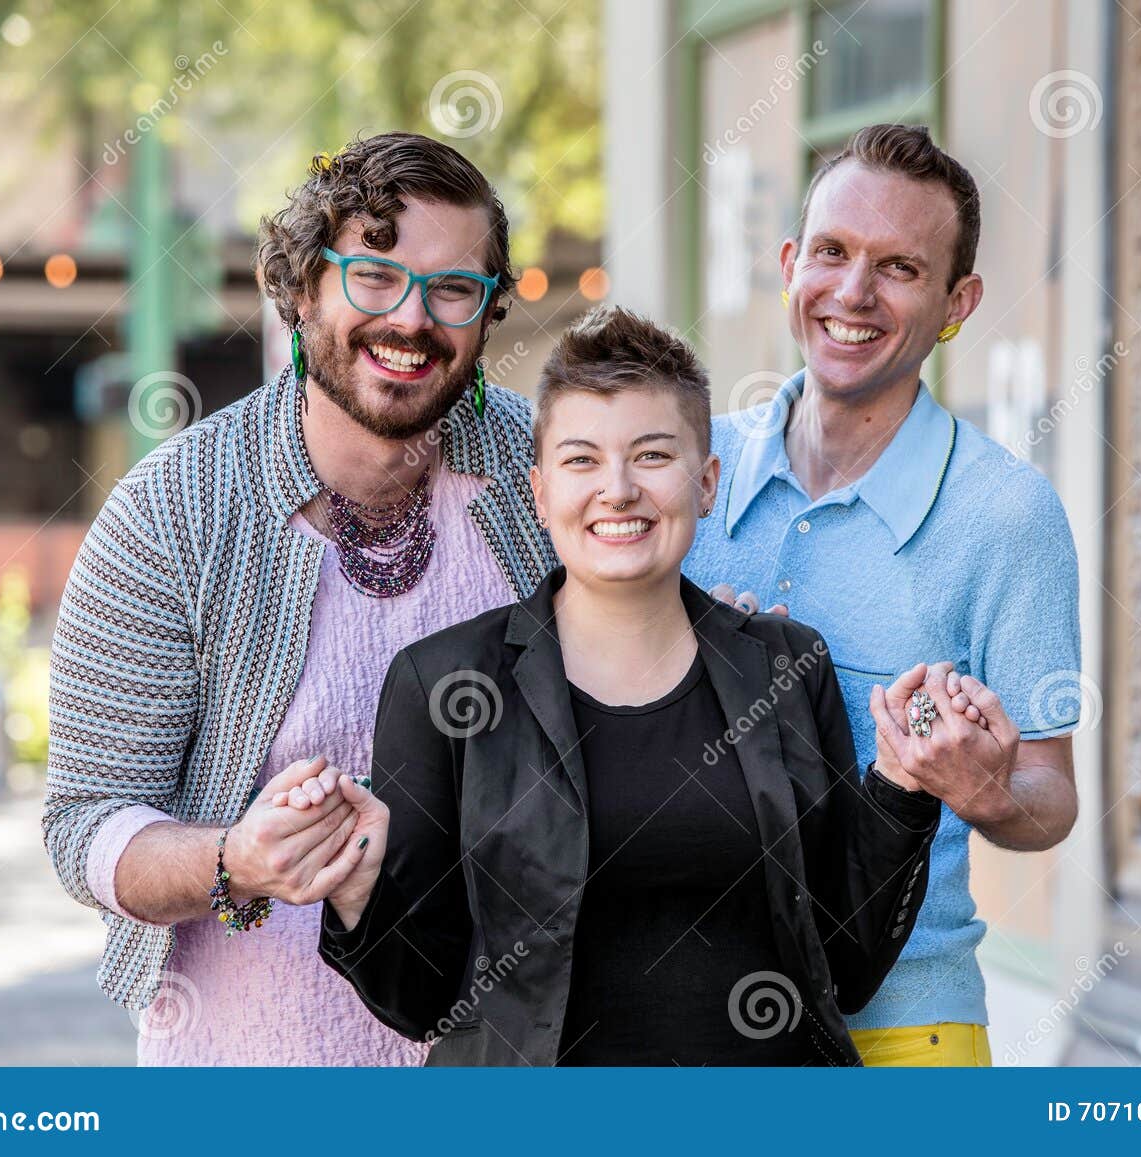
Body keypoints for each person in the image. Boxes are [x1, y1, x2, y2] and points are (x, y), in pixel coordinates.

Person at [309, 306, 946, 1066]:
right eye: (582, 460)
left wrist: (903, 786)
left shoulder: (786, 666)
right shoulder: (445, 684)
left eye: (651, 455)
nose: (617, 489)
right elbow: (422, 998)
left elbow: (844, 967)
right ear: (541, 494)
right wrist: (354, 893)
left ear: (706, 483)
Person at [39, 132, 553, 1064]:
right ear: (305, 285)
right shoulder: (176, 509)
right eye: (373, 276)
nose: (410, 319)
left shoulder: (548, 474)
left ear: (486, 314)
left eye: (451, 290)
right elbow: (86, 821)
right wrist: (237, 859)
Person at [689, 123, 1084, 1067]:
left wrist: (985, 788)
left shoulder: (1007, 515)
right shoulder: (687, 471)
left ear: (958, 302)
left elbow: (1052, 799)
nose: (853, 293)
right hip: (689, 1015)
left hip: (906, 1026)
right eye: (831, 252)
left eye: (900, 267)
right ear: (790, 265)